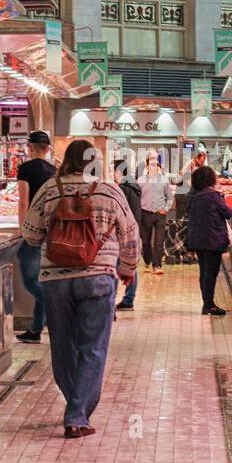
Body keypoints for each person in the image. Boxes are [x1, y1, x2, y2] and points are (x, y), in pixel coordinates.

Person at [22, 139, 139, 438]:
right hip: (98, 277)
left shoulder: (50, 189)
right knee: (93, 347)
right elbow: (130, 234)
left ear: (66, 161)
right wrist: (127, 268)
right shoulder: (109, 190)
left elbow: (31, 234)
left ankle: (75, 405)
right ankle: (77, 413)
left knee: (62, 345)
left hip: (56, 281)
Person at [15, 130, 56, 344]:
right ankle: (35, 329)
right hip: (49, 232)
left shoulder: (25, 169)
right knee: (42, 279)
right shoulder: (53, 171)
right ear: (48, 149)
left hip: (32, 231)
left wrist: (22, 229)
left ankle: (56, 308)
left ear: (30, 148)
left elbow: (23, 200)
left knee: (30, 280)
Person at [186, 165, 232, 317]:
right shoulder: (213, 196)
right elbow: (228, 213)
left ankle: (206, 303)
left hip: (199, 239)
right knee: (211, 273)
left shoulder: (194, 196)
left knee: (204, 271)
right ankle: (209, 305)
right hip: (213, 240)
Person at [138, 152, 173, 276]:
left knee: (159, 241)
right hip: (145, 214)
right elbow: (137, 198)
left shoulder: (164, 180)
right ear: (147, 167)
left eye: (156, 165)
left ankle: (157, 265)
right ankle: (147, 260)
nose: (154, 167)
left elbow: (169, 196)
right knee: (146, 241)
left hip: (159, 214)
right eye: (151, 165)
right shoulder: (140, 181)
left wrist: (166, 208)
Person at [114, 157, 142, 310]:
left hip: (123, 232)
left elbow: (120, 213)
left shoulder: (123, 189)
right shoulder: (134, 186)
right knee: (129, 264)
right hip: (133, 230)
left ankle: (126, 299)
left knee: (118, 264)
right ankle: (128, 298)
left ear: (118, 172)